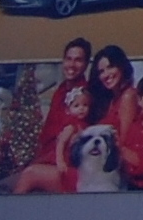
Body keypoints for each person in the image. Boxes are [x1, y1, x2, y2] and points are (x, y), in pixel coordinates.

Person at [5, 38, 94, 195]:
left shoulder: (85, 97)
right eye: (68, 59)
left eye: (78, 60)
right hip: (47, 160)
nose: (72, 65)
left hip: (67, 168)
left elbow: (78, 136)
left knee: (28, 176)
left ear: (86, 64)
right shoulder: (60, 91)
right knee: (5, 184)